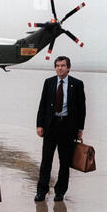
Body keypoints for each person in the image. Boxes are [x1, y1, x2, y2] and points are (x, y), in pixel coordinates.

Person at [35, 56, 86, 202]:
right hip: (51, 126)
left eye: (63, 66)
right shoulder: (49, 82)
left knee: (64, 162)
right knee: (46, 161)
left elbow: (82, 108)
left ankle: (60, 192)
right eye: (57, 65)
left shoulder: (77, 84)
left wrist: (80, 128)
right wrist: (39, 125)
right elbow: (42, 105)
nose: (60, 68)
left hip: (67, 128)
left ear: (68, 68)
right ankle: (42, 191)